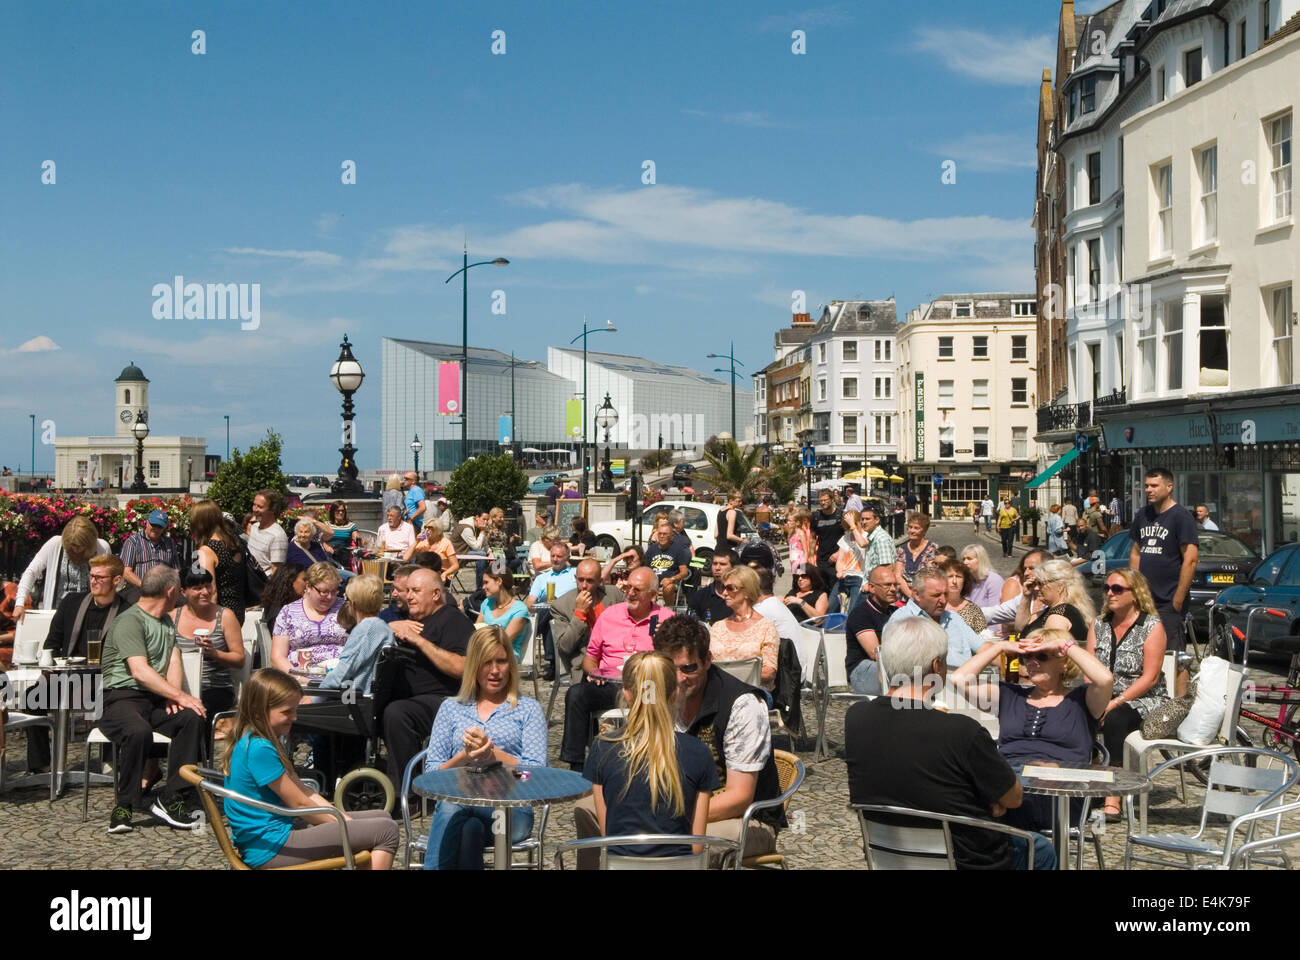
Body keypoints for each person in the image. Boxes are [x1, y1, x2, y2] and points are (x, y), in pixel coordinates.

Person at [844, 616, 1055, 870]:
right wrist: (990, 803)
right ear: (937, 666)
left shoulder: (856, 718)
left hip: (889, 853)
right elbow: (1012, 798)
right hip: (965, 860)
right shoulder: (962, 731)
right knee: (1040, 848)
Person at [223, 668, 398, 868]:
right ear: (258, 710)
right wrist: (346, 826)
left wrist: (344, 821)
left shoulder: (258, 740)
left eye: (295, 709)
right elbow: (299, 805)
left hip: (274, 835)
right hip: (270, 848)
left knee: (381, 816)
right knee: (386, 831)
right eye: (286, 712)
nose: (295, 717)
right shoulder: (259, 748)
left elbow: (304, 791)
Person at [950, 627, 1113, 832]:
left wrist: (1065, 645)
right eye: (1027, 656)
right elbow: (959, 679)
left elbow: (1105, 679)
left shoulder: (1082, 700)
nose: (1032, 662)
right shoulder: (1010, 695)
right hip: (1008, 785)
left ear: (1063, 663)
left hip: (1058, 795)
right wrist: (1000, 647)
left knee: (999, 806)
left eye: (1042, 656)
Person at [422, 625, 547, 869]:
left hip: (510, 811)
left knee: (451, 804)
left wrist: (495, 757)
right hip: (463, 811)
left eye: (501, 661)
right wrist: (463, 757)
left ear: (510, 664)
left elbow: (535, 776)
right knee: (469, 829)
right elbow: (432, 777)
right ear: (474, 666)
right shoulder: (451, 708)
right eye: (486, 662)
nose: (495, 671)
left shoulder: (527, 710)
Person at [98, 567, 206, 834]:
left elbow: (172, 658)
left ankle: (172, 796)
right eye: (179, 589)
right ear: (170, 591)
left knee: (191, 716)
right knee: (138, 731)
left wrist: (172, 695)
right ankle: (124, 806)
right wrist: (178, 694)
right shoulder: (130, 620)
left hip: (152, 698)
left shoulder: (166, 622)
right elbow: (139, 671)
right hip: (120, 698)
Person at [582, 650, 718, 861]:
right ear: (674, 693)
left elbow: (607, 837)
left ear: (626, 693)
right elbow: (696, 847)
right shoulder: (699, 753)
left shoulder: (602, 749)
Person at [25, 555, 130, 772]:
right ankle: (41, 764)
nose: (93, 581)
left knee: (115, 700)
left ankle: (109, 759)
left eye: (100, 577)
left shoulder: (127, 611)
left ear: (116, 580)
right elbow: (52, 642)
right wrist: (48, 670)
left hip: (105, 681)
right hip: (67, 676)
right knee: (31, 698)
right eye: (91, 576)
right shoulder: (72, 602)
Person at [559, 567, 670, 770]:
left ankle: (648, 760)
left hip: (646, 686)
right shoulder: (611, 615)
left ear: (653, 595)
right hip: (611, 685)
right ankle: (576, 765)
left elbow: (673, 664)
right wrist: (593, 674)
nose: (630, 593)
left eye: (637, 590)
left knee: (652, 696)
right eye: (628, 588)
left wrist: (665, 641)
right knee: (576, 693)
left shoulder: (665, 618)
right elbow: (590, 658)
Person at [1088, 568, 1171, 817]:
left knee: (1116, 718)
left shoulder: (1151, 626)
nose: (1110, 594)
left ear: (1135, 594)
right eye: (1107, 588)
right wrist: (1097, 698)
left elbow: (1150, 677)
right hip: (1103, 694)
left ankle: (1113, 793)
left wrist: (1116, 702)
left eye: (1117, 589)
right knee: (1076, 710)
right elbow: (1088, 668)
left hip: (1145, 699)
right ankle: (1088, 780)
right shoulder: (1098, 624)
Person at [382, 569, 472, 783]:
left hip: (443, 700)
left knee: (397, 714)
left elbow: (462, 667)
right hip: (397, 694)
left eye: (415, 591)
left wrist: (420, 642)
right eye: (408, 591)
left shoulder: (453, 620)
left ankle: (409, 791)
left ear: (435, 595)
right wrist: (390, 626)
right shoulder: (404, 617)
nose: (409, 596)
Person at [1128, 468, 1198, 659]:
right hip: (1144, 598)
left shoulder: (1181, 516)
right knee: (1142, 650)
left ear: (1169, 487)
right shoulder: (1143, 515)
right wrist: (1133, 588)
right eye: (1146, 486)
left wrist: (1178, 598)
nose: (1149, 490)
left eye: (1154, 486)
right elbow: (1135, 552)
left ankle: (1178, 690)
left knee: (1172, 654)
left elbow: (1190, 560)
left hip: (1169, 599)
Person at [173, 561, 246, 718]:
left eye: (208, 586)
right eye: (197, 588)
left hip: (215, 687)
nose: (205, 592)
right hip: (180, 686)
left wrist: (214, 653)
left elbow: (240, 659)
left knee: (198, 711)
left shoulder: (225, 616)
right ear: (183, 591)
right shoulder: (172, 617)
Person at [14, 516, 111, 621]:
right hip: (56, 613)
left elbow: (109, 582)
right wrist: (20, 603)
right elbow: (31, 572)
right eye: (72, 545)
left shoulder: (102, 548)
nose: (76, 550)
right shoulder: (54, 544)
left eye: (81, 546)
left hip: (90, 613)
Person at [886, 566, 984, 668]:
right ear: (917, 594)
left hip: (967, 678)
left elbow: (983, 647)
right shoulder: (901, 621)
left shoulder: (953, 618)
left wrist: (1000, 651)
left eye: (946, 594)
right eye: (936, 595)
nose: (943, 600)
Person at [550, 557, 625, 680]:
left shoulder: (614, 595)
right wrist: (580, 613)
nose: (584, 586)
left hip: (618, 661)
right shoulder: (561, 605)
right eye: (580, 580)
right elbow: (564, 647)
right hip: (586, 669)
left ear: (599, 581)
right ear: (575, 578)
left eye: (590, 581)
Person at [320, 574, 394, 696]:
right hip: (356, 698)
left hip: (352, 701)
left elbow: (343, 673)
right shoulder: (381, 626)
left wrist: (314, 698)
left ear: (353, 604)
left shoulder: (367, 628)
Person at [710, 565, 779, 691]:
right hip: (719, 690)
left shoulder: (766, 627)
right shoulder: (717, 627)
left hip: (752, 690)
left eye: (730, 588)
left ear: (747, 592)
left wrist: (733, 678)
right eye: (724, 588)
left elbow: (769, 672)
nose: (724, 593)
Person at [271, 562, 348, 674]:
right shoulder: (288, 612)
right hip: (299, 678)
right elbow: (277, 657)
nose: (330, 597)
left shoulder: (345, 608)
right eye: (324, 592)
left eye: (334, 591)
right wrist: (299, 678)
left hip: (340, 676)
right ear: (308, 587)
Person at [1012, 558, 1095, 647]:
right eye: (1035, 583)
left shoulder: (1058, 616)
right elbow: (1020, 627)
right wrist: (1026, 597)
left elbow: (1050, 654)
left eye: (1040, 583)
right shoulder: (1056, 610)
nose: (1036, 588)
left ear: (1060, 586)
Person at [845, 564, 900, 695]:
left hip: (890, 667)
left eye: (895, 585)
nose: (893, 589)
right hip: (862, 670)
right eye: (887, 585)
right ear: (871, 588)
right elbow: (875, 653)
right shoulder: (861, 613)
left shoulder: (896, 612)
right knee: (907, 676)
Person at [476, 559, 530, 659]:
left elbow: (505, 641)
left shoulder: (519, 609)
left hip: (506, 658)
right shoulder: (486, 604)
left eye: (486, 582)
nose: (483, 587)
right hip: (484, 654)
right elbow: (477, 633)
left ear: (499, 581)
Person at [118, 509, 179, 591]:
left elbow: (176, 570)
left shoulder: (169, 543)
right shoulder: (133, 542)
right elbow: (125, 571)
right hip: (138, 589)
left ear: (164, 528)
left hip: (164, 590)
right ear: (147, 523)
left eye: (160, 526)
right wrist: (144, 586)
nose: (156, 529)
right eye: (153, 525)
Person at [645, 518, 691, 607]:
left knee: (668, 587)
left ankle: (668, 610)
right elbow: (645, 569)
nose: (662, 536)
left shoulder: (678, 549)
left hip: (672, 583)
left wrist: (671, 579)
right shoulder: (652, 549)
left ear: (671, 536)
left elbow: (684, 572)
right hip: (653, 582)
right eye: (660, 534)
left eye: (665, 534)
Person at [828, 510, 866, 615]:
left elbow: (863, 544)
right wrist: (839, 571)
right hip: (844, 576)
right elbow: (840, 559)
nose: (848, 527)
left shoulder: (866, 536)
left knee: (853, 611)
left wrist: (853, 526)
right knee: (830, 606)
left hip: (859, 577)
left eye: (851, 523)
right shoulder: (845, 538)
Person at [894, 512, 938, 601]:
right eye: (910, 527)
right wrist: (911, 596)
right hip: (903, 599)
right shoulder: (901, 549)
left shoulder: (932, 548)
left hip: (924, 599)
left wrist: (919, 598)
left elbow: (930, 575)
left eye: (916, 528)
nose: (912, 531)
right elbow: (898, 576)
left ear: (924, 531)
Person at [940, 556, 987, 634]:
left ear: (964, 581)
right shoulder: (936, 607)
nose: (954, 581)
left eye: (958, 577)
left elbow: (984, 637)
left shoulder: (974, 610)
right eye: (950, 577)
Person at [246, 489, 288, 576]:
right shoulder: (254, 527)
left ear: (272, 510)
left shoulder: (278, 536)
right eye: (254, 505)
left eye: (260, 507)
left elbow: (276, 571)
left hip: (263, 586)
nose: (255, 509)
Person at [688, 549, 735, 624]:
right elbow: (689, 626)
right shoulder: (700, 596)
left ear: (734, 568)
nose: (717, 568)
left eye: (722, 564)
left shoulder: (741, 596)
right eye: (714, 564)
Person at [811, 490, 843, 595]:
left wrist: (839, 553)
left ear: (832, 499)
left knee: (836, 590)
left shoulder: (840, 515)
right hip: (821, 558)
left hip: (837, 559)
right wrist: (811, 556)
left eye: (825, 500)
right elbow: (812, 537)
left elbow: (849, 538)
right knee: (822, 589)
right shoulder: (816, 516)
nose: (823, 502)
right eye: (821, 501)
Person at [260, 563, 306, 630]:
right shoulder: (279, 613)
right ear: (290, 581)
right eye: (304, 580)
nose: (308, 583)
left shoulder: (277, 606)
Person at [960, 544, 1004, 609]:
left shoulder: (994, 580)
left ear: (980, 560)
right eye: (964, 559)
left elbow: (994, 611)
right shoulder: (968, 581)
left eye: (969, 559)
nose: (965, 562)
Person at [326, 501, 357, 569]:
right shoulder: (327, 525)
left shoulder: (350, 525)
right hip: (329, 551)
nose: (340, 513)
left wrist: (359, 540)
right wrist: (326, 547)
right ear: (333, 512)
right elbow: (320, 539)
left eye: (343, 511)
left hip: (343, 552)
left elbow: (356, 537)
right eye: (338, 511)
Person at [715, 491, 746, 556]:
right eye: (739, 501)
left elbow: (716, 534)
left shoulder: (720, 511)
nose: (741, 503)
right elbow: (729, 535)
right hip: (728, 550)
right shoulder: (732, 512)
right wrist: (743, 541)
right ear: (731, 501)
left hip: (718, 548)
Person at [786, 507, 814, 572]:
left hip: (800, 561)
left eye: (790, 521)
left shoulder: (800, 533)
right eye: (787, 520)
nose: (788, 523)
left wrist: (804, 566)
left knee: (800, 578)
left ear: (797, 523)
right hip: (793, 560)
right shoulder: (791, 533)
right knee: (795, 579)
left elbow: (805, 551)